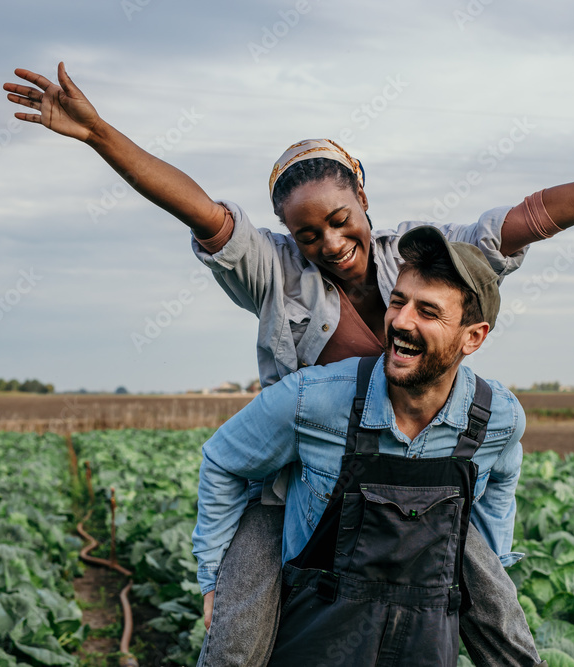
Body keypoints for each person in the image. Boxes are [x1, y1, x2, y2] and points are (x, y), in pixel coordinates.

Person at [3, 64, 574, 665]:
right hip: (296, 483)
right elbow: (197, 209)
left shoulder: (427, 257)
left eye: (340, 219)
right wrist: (100, 135)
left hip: (419, 481)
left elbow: (528, 217)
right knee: (237, 644)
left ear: (363, 198)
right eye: (308, 233)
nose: (331, 242)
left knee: (502, 625)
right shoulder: (272, 273)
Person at [194, 226, 533, 666]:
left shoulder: (497, 418)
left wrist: (486, 567)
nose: (401, 321)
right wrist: (212, 581)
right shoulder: (313, 399)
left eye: (427, 311)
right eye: (398, 302)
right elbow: (224, 460)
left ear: (473, 337)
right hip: (316, 623)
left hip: (422, 631)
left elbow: (501, 480)